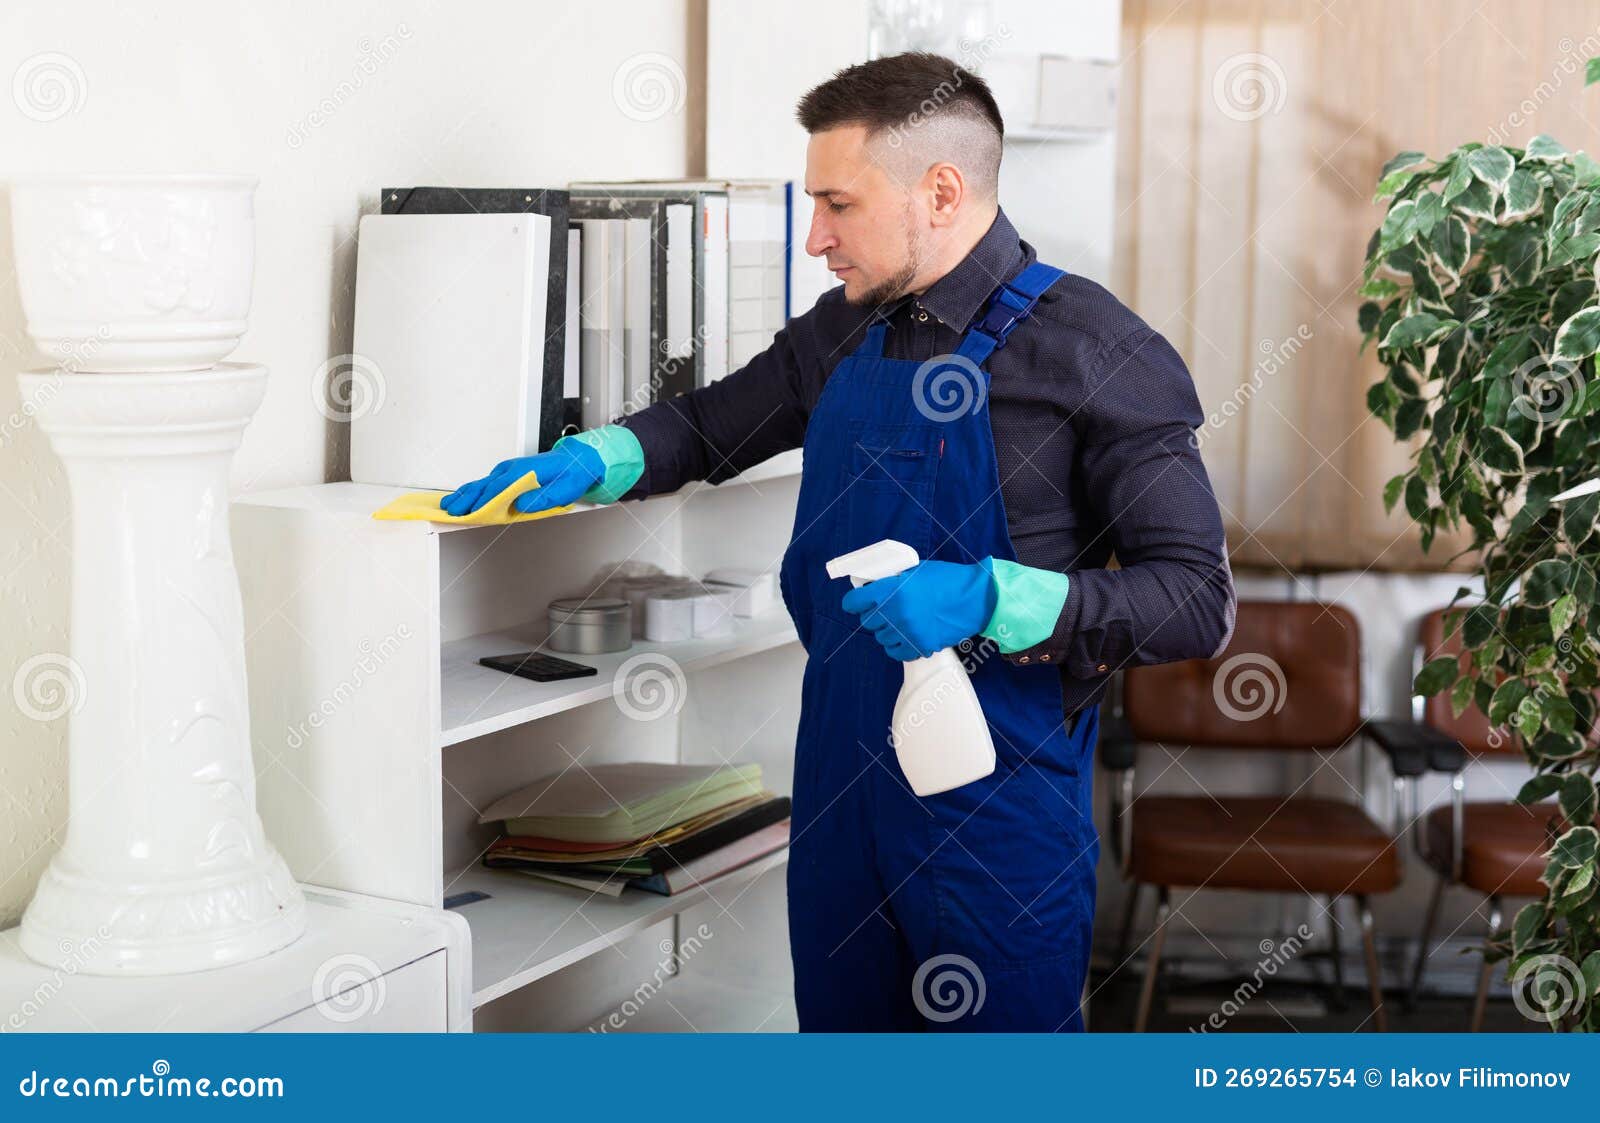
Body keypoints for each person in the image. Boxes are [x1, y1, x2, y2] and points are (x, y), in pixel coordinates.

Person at [443, 51, 1236, 1031]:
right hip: (837, 792)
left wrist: (993, 597)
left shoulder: (1100, 352)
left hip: (996, 817)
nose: (815, 236)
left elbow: (1194, 599)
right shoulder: (847, 330)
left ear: (938, 192)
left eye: (838, 204)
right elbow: (705, 428)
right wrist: (591, 457)